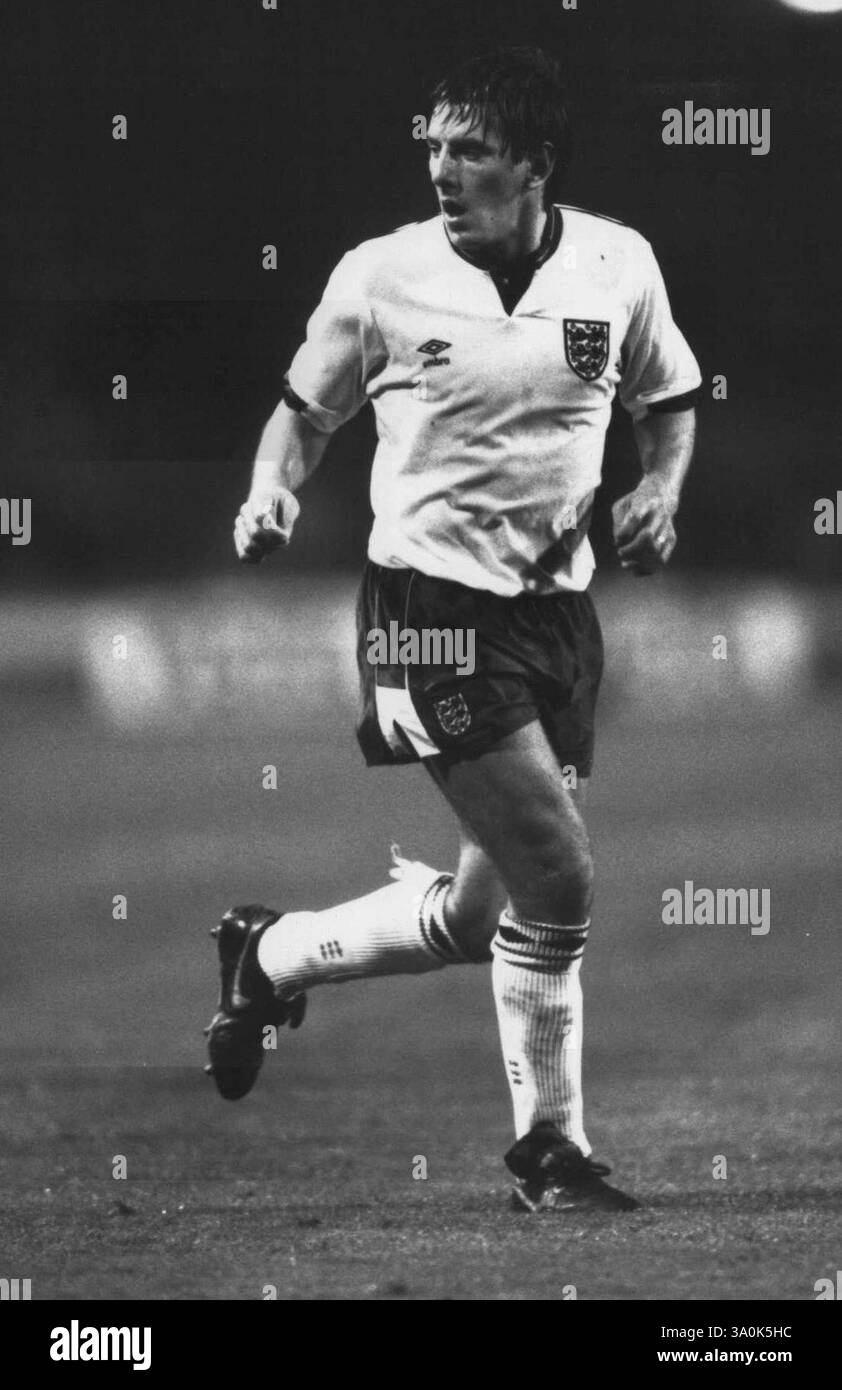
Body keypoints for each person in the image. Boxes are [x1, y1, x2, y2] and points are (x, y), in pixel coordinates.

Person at [205, 45, 701, 1212]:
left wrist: (661, 488)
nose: (439, 165)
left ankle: (266, 956)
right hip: (425, 617)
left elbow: (666, 396)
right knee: (561, 875)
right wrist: (270, 489)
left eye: (467, 147)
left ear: (532, 164)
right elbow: (299, 415)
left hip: (556, 615)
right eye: (430, 143)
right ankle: (550, 1150)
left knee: (486, 915)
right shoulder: (379, 277)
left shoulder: (615, 263)